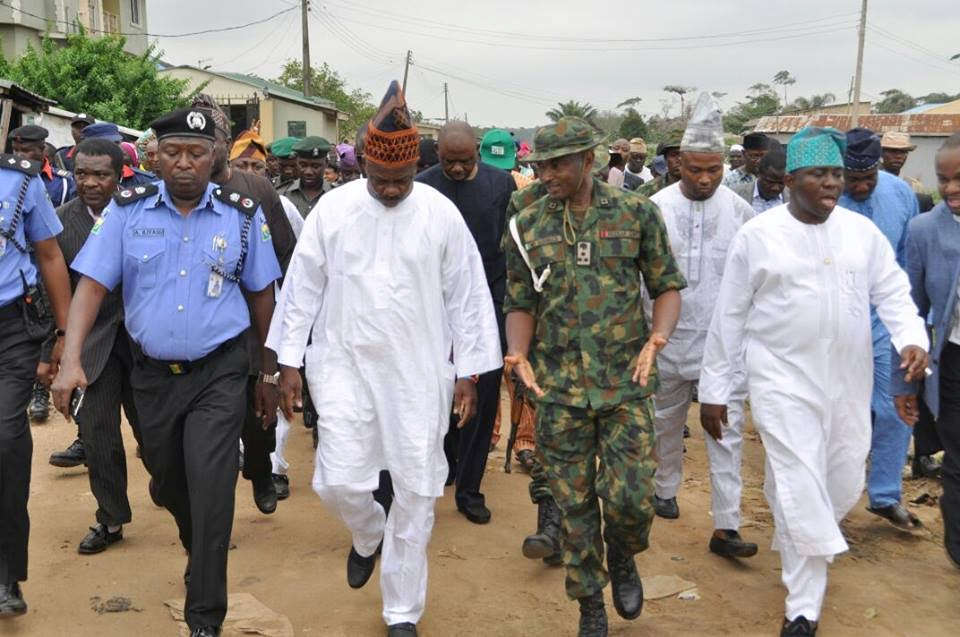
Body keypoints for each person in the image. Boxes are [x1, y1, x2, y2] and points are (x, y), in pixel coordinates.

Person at [269, 81, 501, 637]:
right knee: (337, 482)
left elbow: (467, 298)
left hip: (419, 373)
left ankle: (402, 610)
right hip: (344, 365)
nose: (393, 190)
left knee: (419, 490)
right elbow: (302, 288)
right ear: (365, 167)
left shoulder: (440, 214)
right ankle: (368, 532)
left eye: (401, 181)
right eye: (382, 180)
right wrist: (289, 363)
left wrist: (467, 372)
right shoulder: (333, 210)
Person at [51, 107, 282, 637]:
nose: (184, 163)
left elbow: (263, 297)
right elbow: (90, 287)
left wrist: (268, 372)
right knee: (169, 482)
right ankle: (193, 542)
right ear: (154, 158)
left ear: (214, 157)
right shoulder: (128, 212)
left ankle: (205, 614)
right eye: (172, 153)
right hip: (152, 376)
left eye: (196, 153)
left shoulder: (241, 214)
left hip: (219, 372)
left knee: (212, 485)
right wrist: (70, 361)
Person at [699, 126, 928, 637]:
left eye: (836, 174)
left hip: (849, 377)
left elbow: (892, 292)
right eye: (818, 174)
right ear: (789, 181)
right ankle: (803, 606)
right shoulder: (757, 237)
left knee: (841, 476)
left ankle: (797, 523)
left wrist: (912, 338)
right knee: (803, 480)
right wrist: (715, 391)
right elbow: (729, 318)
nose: (831, 183)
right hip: (780, 379)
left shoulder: (859, 233)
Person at [504, 116, 685, 636]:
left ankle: (624, 551)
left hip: (625, 382)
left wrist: (658, 338)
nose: (547, 174)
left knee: (630, 495)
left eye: (559, 164)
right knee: (574, 501)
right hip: (558, 388)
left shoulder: (636, 214)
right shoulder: (528, 224)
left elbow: (666, 285)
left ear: (589, 161)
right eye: (542, 165)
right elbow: (521, 299)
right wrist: (517, 352)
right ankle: (590, 603)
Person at [646, 94, 758, 559]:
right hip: (665, 341)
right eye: (695, 169)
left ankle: (727, 524)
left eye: (713, 170)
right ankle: (664, 487)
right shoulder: (653, 209)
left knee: (725, 432)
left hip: (722, 347)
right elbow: (640, 279)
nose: (705, 178)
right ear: (678, 164)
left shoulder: (742, 215)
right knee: (663, 424)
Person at [194, 96, 297, 515]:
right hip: (201, 326)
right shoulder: (176, 191)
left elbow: (288, 255)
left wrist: (288, 324)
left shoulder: (255, 188)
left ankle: (258, 472)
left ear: (225, 143)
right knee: (211, 422)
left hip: (254, 321)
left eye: (210, 141)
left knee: (256, 419)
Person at [416, 121, 516, 524]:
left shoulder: (501, 185)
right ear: (437, 155)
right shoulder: (423, 186)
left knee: (484, 388)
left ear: (476, 152)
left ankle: (471, 488)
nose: (457, 169)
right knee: (439, 386)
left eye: (465, 161)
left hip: (486, 298)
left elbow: (510, 245)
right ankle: (449, 464)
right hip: (434, 304)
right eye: (448, 162)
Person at [54, 138, 143, 554]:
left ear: (120, 173)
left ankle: (174, 490)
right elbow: (54, 291)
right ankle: (110, 518)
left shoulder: (143, 211)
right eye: (82, 174)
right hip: (93, 345)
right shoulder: (59, 222)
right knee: (98, 432)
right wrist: (54, 353)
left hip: (148, 343)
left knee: (158, 433)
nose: (90, 182)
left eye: (100, 174)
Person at [837, 127, 923, 532]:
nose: (860, 186)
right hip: (835, 318)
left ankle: (885, 494)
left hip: (887, 316)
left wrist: (911, 323)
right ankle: (830, 501)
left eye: (867, 177)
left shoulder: (900, 194)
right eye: (852, 179)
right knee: (838, 411)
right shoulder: (823, 198)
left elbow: (907, 258)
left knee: (896, 405)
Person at [0, 149, 72, 617]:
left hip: (11, 328)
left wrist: (65, 336)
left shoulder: (21, 182)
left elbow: (49, 256)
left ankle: (6, 574)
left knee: (5, 439)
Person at [893, 132, 960, 568]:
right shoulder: (924, 230)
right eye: (943, 179)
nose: (951, 188)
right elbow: (909, 311)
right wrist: (905, 383)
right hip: (953, 363)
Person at [9, 125, 76, 426]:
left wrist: (67, 332)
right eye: (19, 150)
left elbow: (52, 250)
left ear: (43, 149)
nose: (25, 156)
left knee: (44, 333)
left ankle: (40, 389)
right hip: (25, 271)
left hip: (30, 287)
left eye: (30, 150)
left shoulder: (51, 182)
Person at [10, 125, 77, 206]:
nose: (19, 156)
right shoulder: (5, 177)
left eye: (25, 150)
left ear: (42, 149)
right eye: (15, 150)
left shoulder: (64, 182)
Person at [81, 123, 156, 189]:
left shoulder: (147, 181)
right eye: (106, 144)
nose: (114, 148)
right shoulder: (76, 182)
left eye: (117, 143)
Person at [279, 137, 332, 218]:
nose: (308, 172)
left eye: (315, 166)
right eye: (303, 165)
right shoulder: (282, 194)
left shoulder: (336, 195)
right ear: (297, 162)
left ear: (326, 164)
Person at [731, 147, 790, 213]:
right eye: (770, 182)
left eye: (781, 183)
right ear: (758, 174)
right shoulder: (735, 195)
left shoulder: (795, 199)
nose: (775, 188)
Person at [638, 130, 683, 196]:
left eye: (683, 154)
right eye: (674, 155)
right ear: (665, 159)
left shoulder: (701, 189)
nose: (679, 159)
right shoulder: (647, 190)